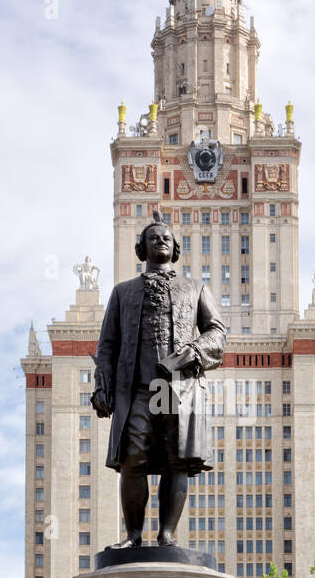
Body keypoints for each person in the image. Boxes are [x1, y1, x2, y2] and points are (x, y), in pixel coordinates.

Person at [91, 216, 226, 547]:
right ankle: (134, 535)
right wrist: (102, 385)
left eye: (167, 237)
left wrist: (192, 352)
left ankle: (167, 535)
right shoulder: (123, 292)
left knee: (176, 459)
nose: (161, 241)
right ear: (142, 247)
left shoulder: (196, 288)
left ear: (176, 248)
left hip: (178, 388)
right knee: (132, 459)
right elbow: (107, 345)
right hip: (137, 388)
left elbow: (217, 331)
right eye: (153, 238)